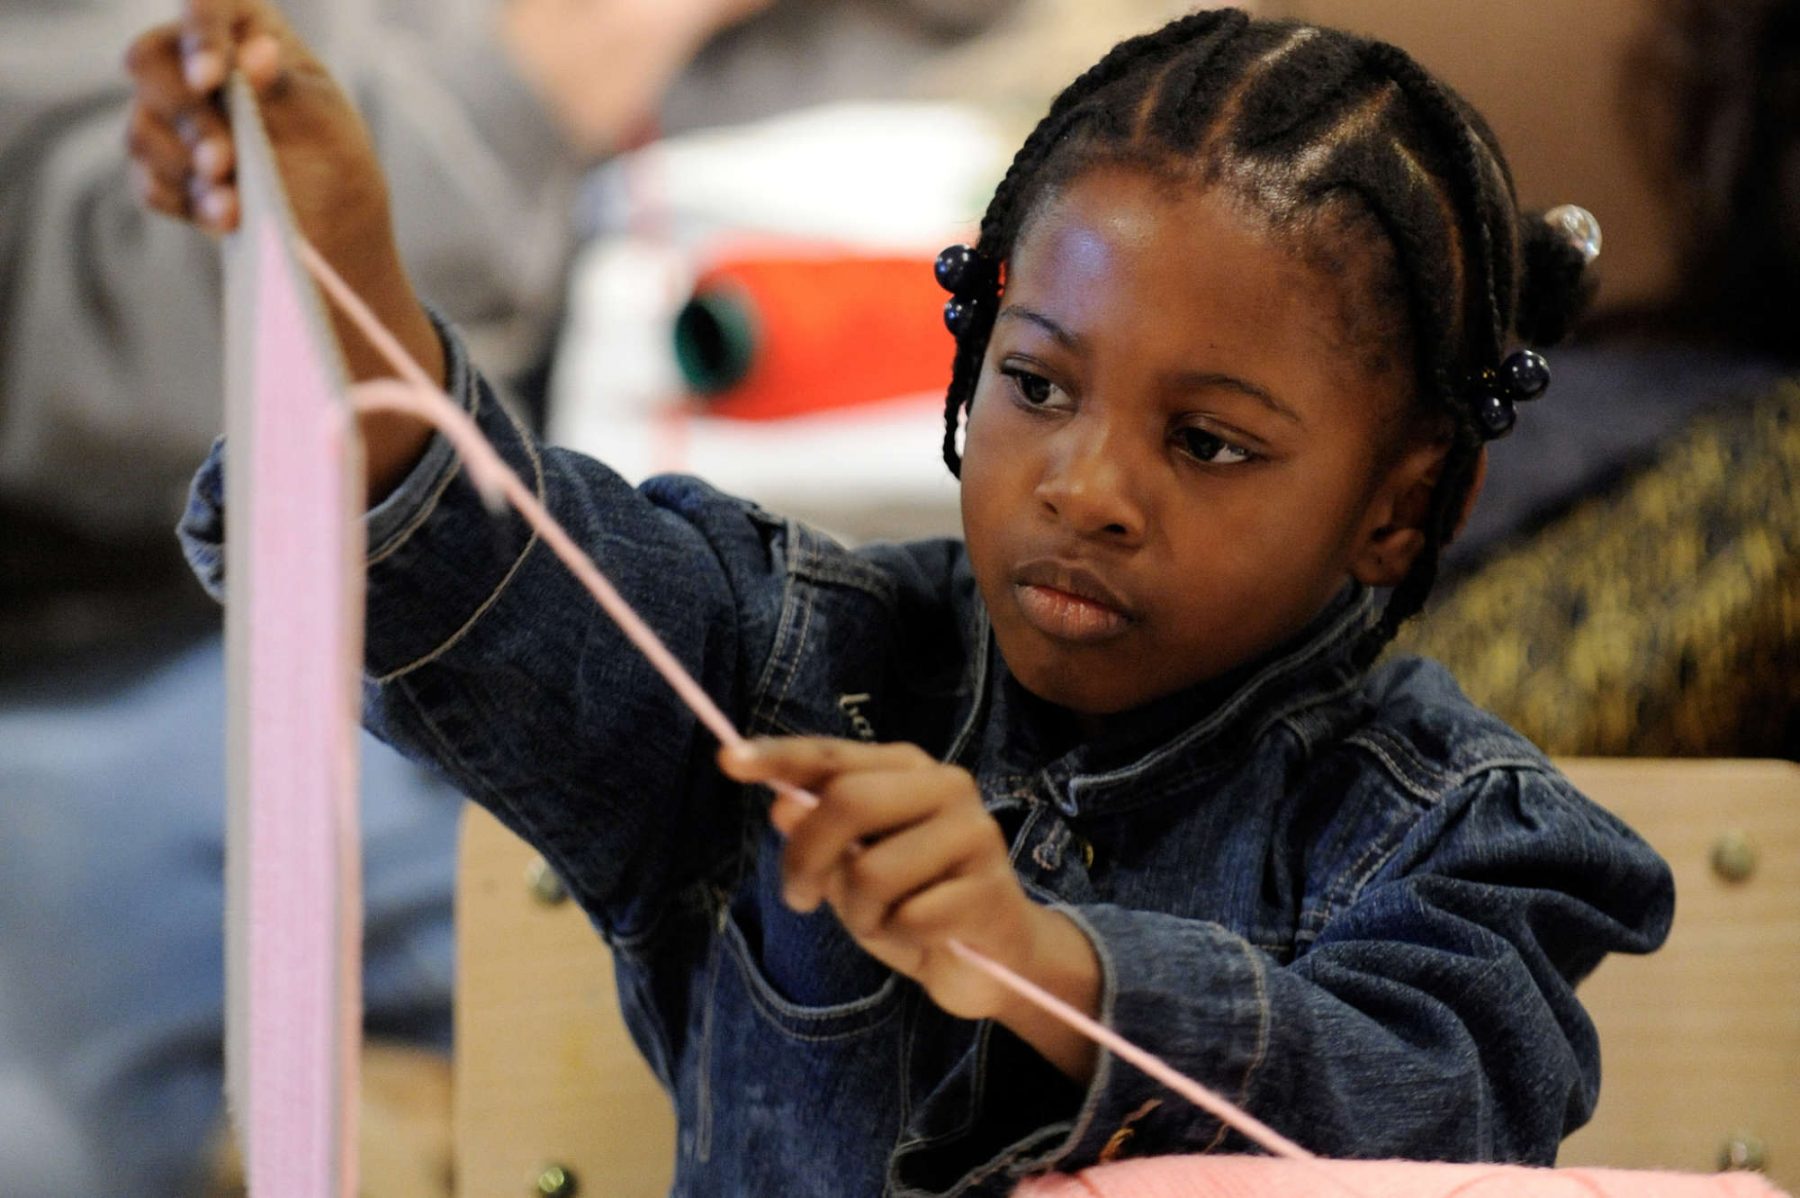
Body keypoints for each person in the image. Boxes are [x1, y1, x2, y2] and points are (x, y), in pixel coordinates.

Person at [132, 3, 1675, 1192]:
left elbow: (1441, 1097)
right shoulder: (785, 655)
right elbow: (489, 560)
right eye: (1037, 383)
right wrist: (349, 275)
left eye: (1205, 442)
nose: (1083, 486)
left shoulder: (1454, 835)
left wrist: (1054, 962)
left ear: (1401, 509)